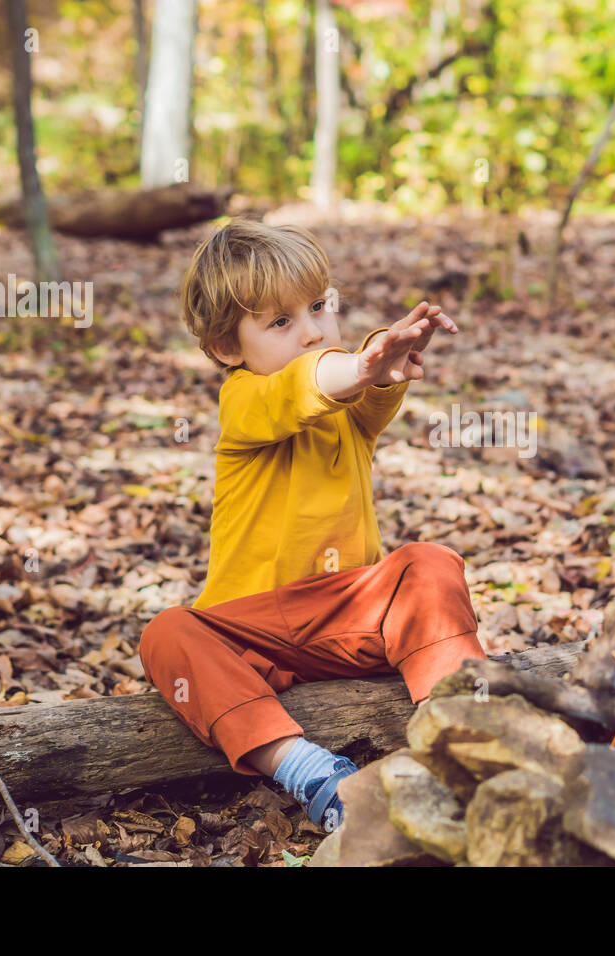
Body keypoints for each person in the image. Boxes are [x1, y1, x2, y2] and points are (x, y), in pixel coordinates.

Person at [139, 219, 486, 832]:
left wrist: (383, 355)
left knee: (429, 563)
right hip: (251, 634)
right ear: (226, 348)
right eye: (280, 322)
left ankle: (456, 739)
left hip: (348, 619)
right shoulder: (244, 399)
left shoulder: (350, 404)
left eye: (320, 307)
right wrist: (359, 366)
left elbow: (361, 381)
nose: (312, 332)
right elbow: (313, 384)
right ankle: (306, 769)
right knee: (167, 633)